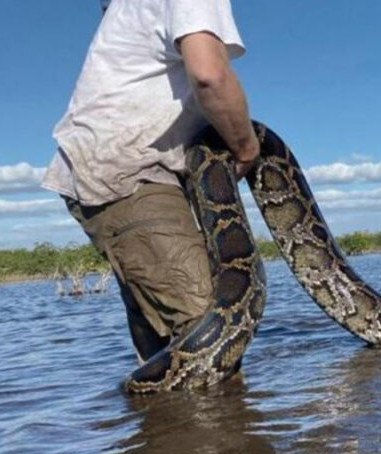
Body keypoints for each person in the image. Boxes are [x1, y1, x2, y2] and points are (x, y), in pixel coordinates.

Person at [41, 0, 259, 362]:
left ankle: (158, 417)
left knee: (164, 346)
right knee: (210, 328)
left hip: (114, 167)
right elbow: (209, 75)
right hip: (132, 171)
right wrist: (247, 148)